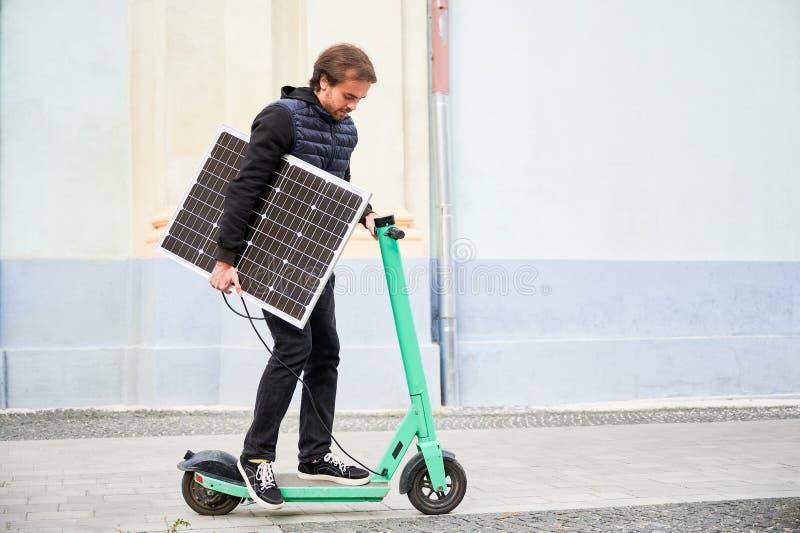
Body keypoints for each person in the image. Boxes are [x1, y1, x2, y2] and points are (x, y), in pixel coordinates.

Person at [209, 43, 378, 510]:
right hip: (269, 252)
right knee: (294, 347)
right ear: (322, 81)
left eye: (360, 99)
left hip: (313, 255)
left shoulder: (346, 129)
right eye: (348, 95)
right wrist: (226, 258)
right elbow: (246, 184)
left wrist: (365, 212)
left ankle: (316, 454)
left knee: (326, 350)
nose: (352, 106)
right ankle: (256, 455)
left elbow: (337, 183)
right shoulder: (280, 117)